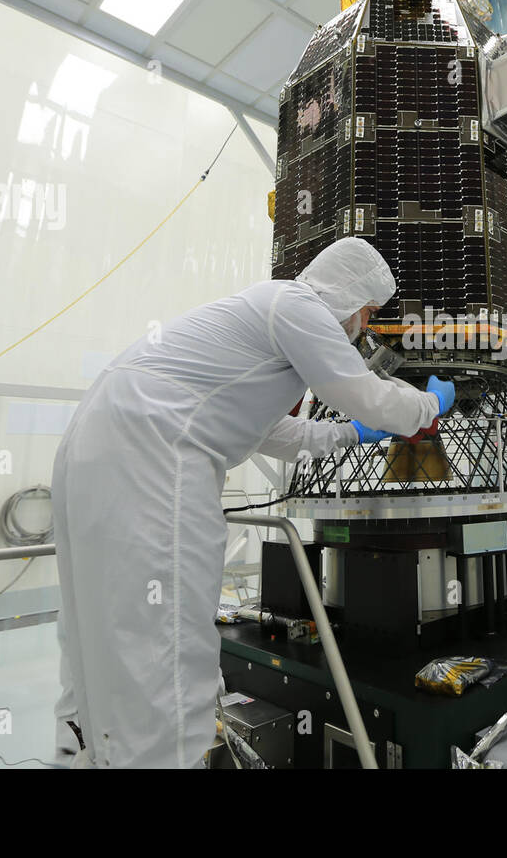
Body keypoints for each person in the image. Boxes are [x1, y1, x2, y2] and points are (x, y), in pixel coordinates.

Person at [51, 237, 454, 768]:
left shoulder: (256, 323)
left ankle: (80, 754)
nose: (365, 325)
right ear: (351, 293)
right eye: (368, 311)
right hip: (150, 456)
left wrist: (353, 435)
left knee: (97, 628)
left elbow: (274, 432)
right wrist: (428, 404)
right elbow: (365, 392)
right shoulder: (298, 306)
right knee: (165, 644)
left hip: (94, 448)